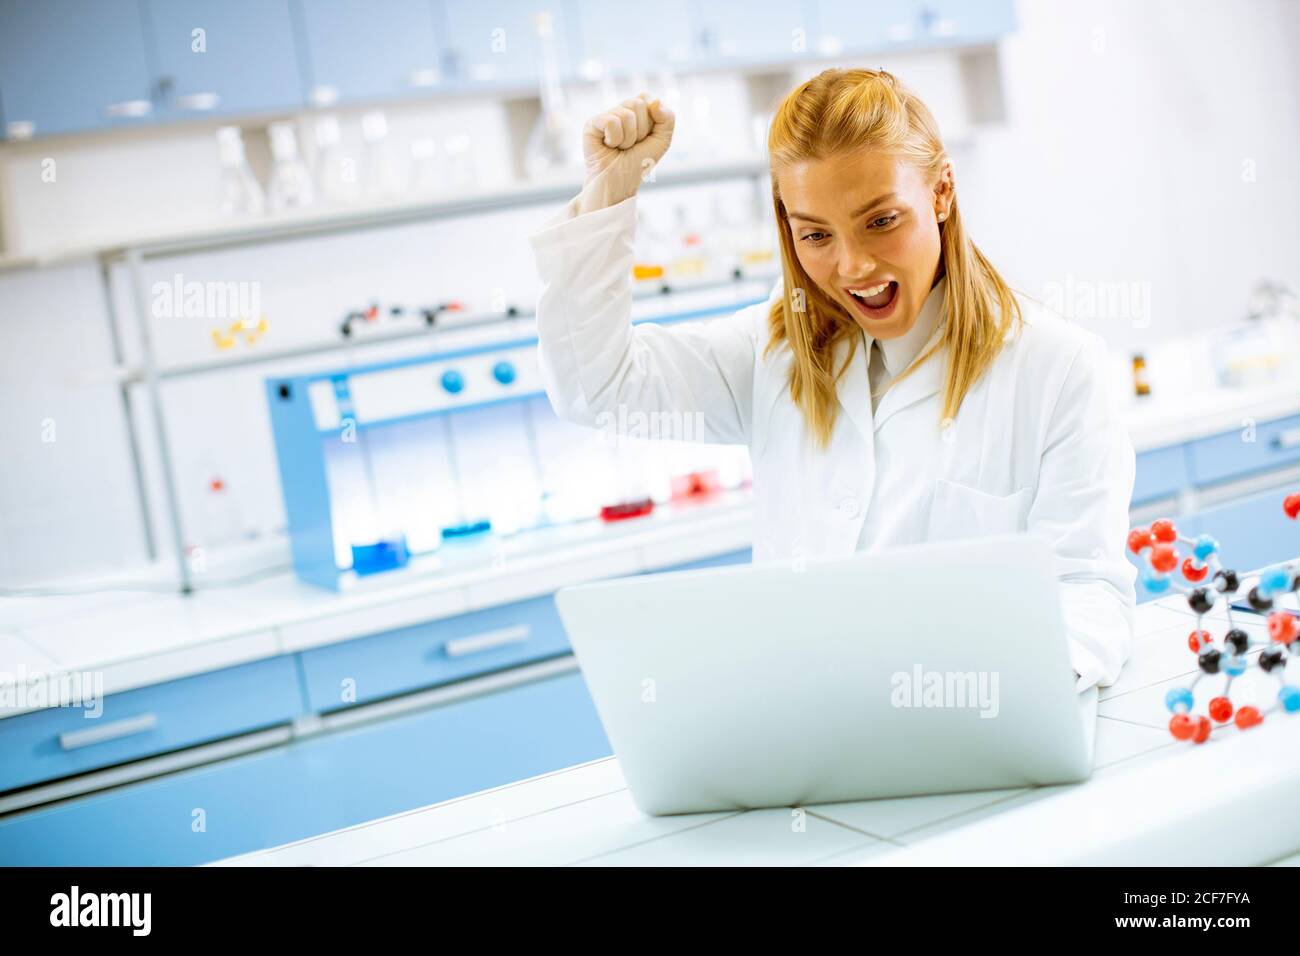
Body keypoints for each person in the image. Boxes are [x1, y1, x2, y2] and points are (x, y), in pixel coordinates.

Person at [527, 69, 1136, 692]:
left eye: (881, 221)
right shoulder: (773, 353)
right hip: (807, 735)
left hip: (974, 729)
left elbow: (1087, 592)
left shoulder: (1056, 368)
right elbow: (594, 386)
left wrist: (1016, 690)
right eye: (816, 234)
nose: (853, 266)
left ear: (942, 192)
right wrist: (612, 189)